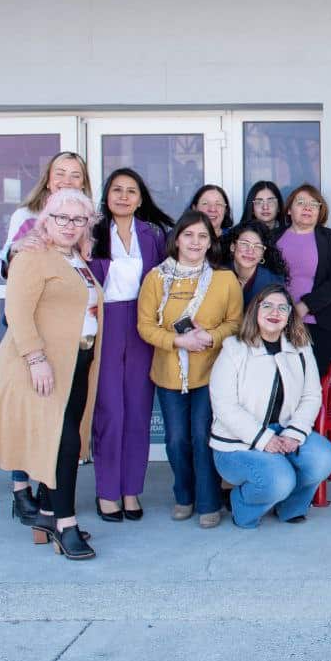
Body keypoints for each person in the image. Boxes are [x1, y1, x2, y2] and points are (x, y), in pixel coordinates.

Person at [0, 189, 103, 560]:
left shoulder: (77, 258)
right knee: (61, 444)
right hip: (42, 366)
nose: (69, 225)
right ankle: (66, 524)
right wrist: (35, 359)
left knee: (65, 441)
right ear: (46, 219)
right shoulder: (31, 255)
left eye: (78, 219)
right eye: (61, 217)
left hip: (76, 361)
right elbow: (17, 312)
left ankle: (47, 516)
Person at [0, 150, 93, 524]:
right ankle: (22, 490)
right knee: (32, 417)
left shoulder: (80, 220)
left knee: (57, 429)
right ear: (48, 179)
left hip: (68, 338)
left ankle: (48, 498)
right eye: (61, 173)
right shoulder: (30, 218)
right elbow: (14, 274)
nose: (68, 179)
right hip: (35, 337)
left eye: (75, 174)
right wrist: (18, 248)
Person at [137, 210, 243, 528]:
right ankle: (184, 495)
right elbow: (144, 326)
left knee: (202, 436)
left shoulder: (225, 279)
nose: (195, 242)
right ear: (177, 239)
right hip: (170, 372)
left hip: (211, 373)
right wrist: (178, 342)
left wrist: (210, 337)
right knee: (176, 439)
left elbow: (235, 323)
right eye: (189, 235)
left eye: (203, 236)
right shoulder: (156, 278)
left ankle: (209, 501)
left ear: (211, 243)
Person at [82, 168, 173, 521]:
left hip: (142, 325)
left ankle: (131, 490)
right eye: (116, 190)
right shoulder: (92, 232)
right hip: (106, 323)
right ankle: (107, 492)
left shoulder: (152, 235)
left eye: (131, 190)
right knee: (110, 411)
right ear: (107, 196)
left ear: (140, 198)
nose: (123, 196)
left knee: (137, 411)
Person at [209, 285, 331, 528]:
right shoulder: (234, 349)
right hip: (239, 443)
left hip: (284, 431)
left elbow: (312, 395)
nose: (274, 312)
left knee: (323, 458)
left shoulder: (300, 348)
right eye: (267, 305)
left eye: (282, 307)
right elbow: (225, 406)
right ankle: (244, 507)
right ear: (255, 311)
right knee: (280, 479)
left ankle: (290, 507)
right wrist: (263, 439)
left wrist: (294, 432)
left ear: (290, 315)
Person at [274, 184, 331, 379]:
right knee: (281, 381)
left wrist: (305, 306)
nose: (307, 207)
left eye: (314, 204)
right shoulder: (273, 238)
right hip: (277, 321)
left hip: (322, 325)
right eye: (301, 203)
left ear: (320, 211)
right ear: (289, 210)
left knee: (310, 381)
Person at [225, 220, 289, 307]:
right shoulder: (217, 274)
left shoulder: (273, 283)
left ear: (263, 253)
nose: (250, 251)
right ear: (233, 247)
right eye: (244, 243)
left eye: (258, 246)